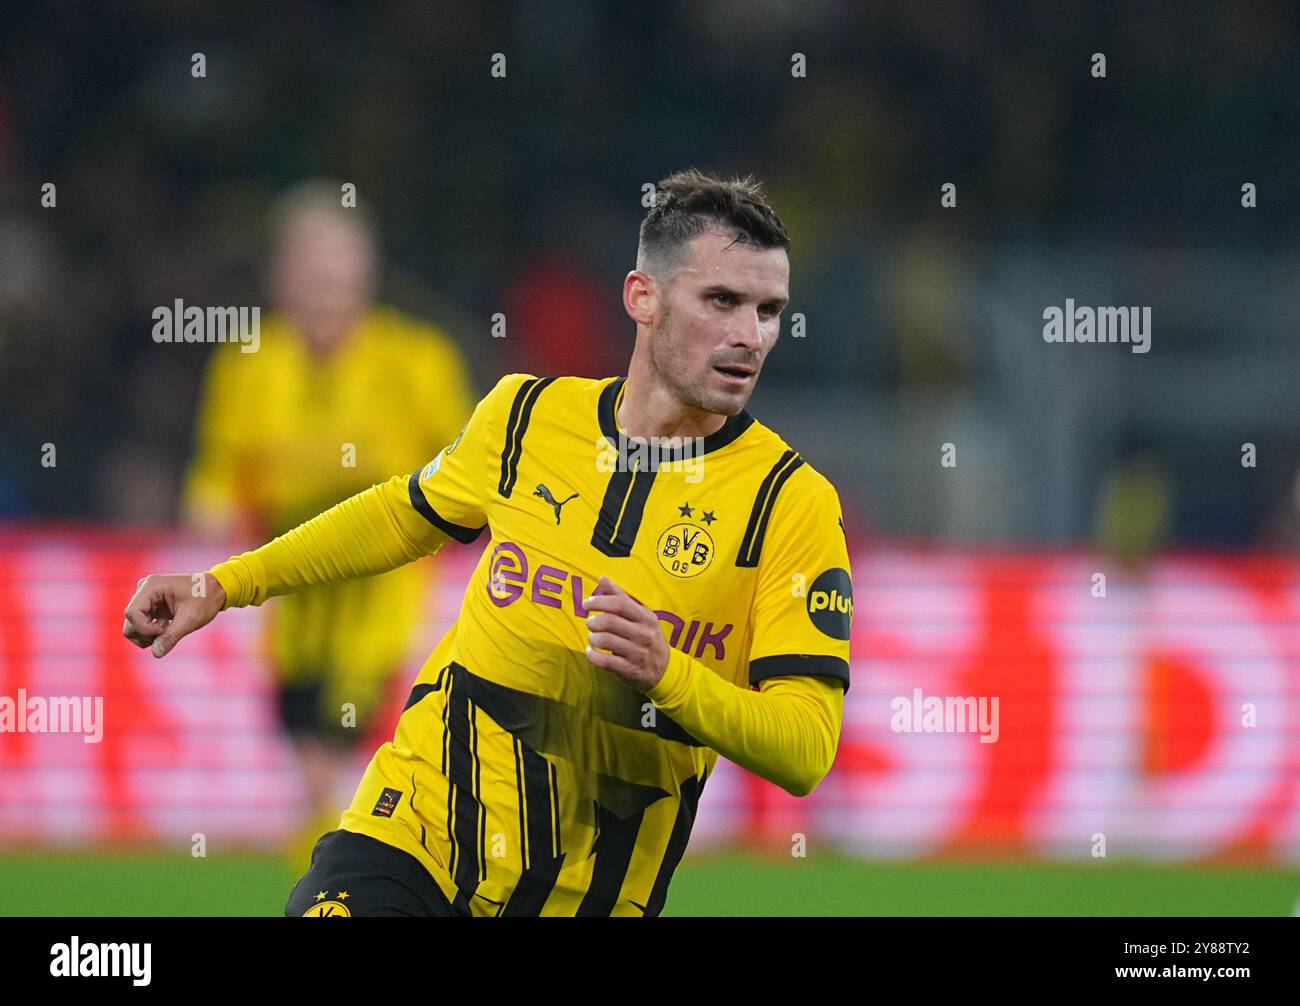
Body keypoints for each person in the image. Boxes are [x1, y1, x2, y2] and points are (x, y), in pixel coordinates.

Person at [124, 169, 854, 917]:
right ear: (644, 297)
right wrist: (222, 585)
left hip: (584, 894)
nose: (749, 335)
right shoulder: (523, 415)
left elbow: (805, 747)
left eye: (769, 311)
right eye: (722, 301)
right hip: (415, 832)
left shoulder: (790, 505)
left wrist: (671, 675)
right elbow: (396, 516)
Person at [181, 181, 475, 866]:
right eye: (311, 274)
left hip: (383, 559)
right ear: (279, 276)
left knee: (354, 695)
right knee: (297, 697)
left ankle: (351, 833)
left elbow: (466, 456)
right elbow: (221, 467)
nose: (325, 290)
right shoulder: (246, 363)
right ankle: (338, 832)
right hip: (290, 559)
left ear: (367, 276)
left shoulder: (416, 358)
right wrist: (206, 505)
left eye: (338, 274)